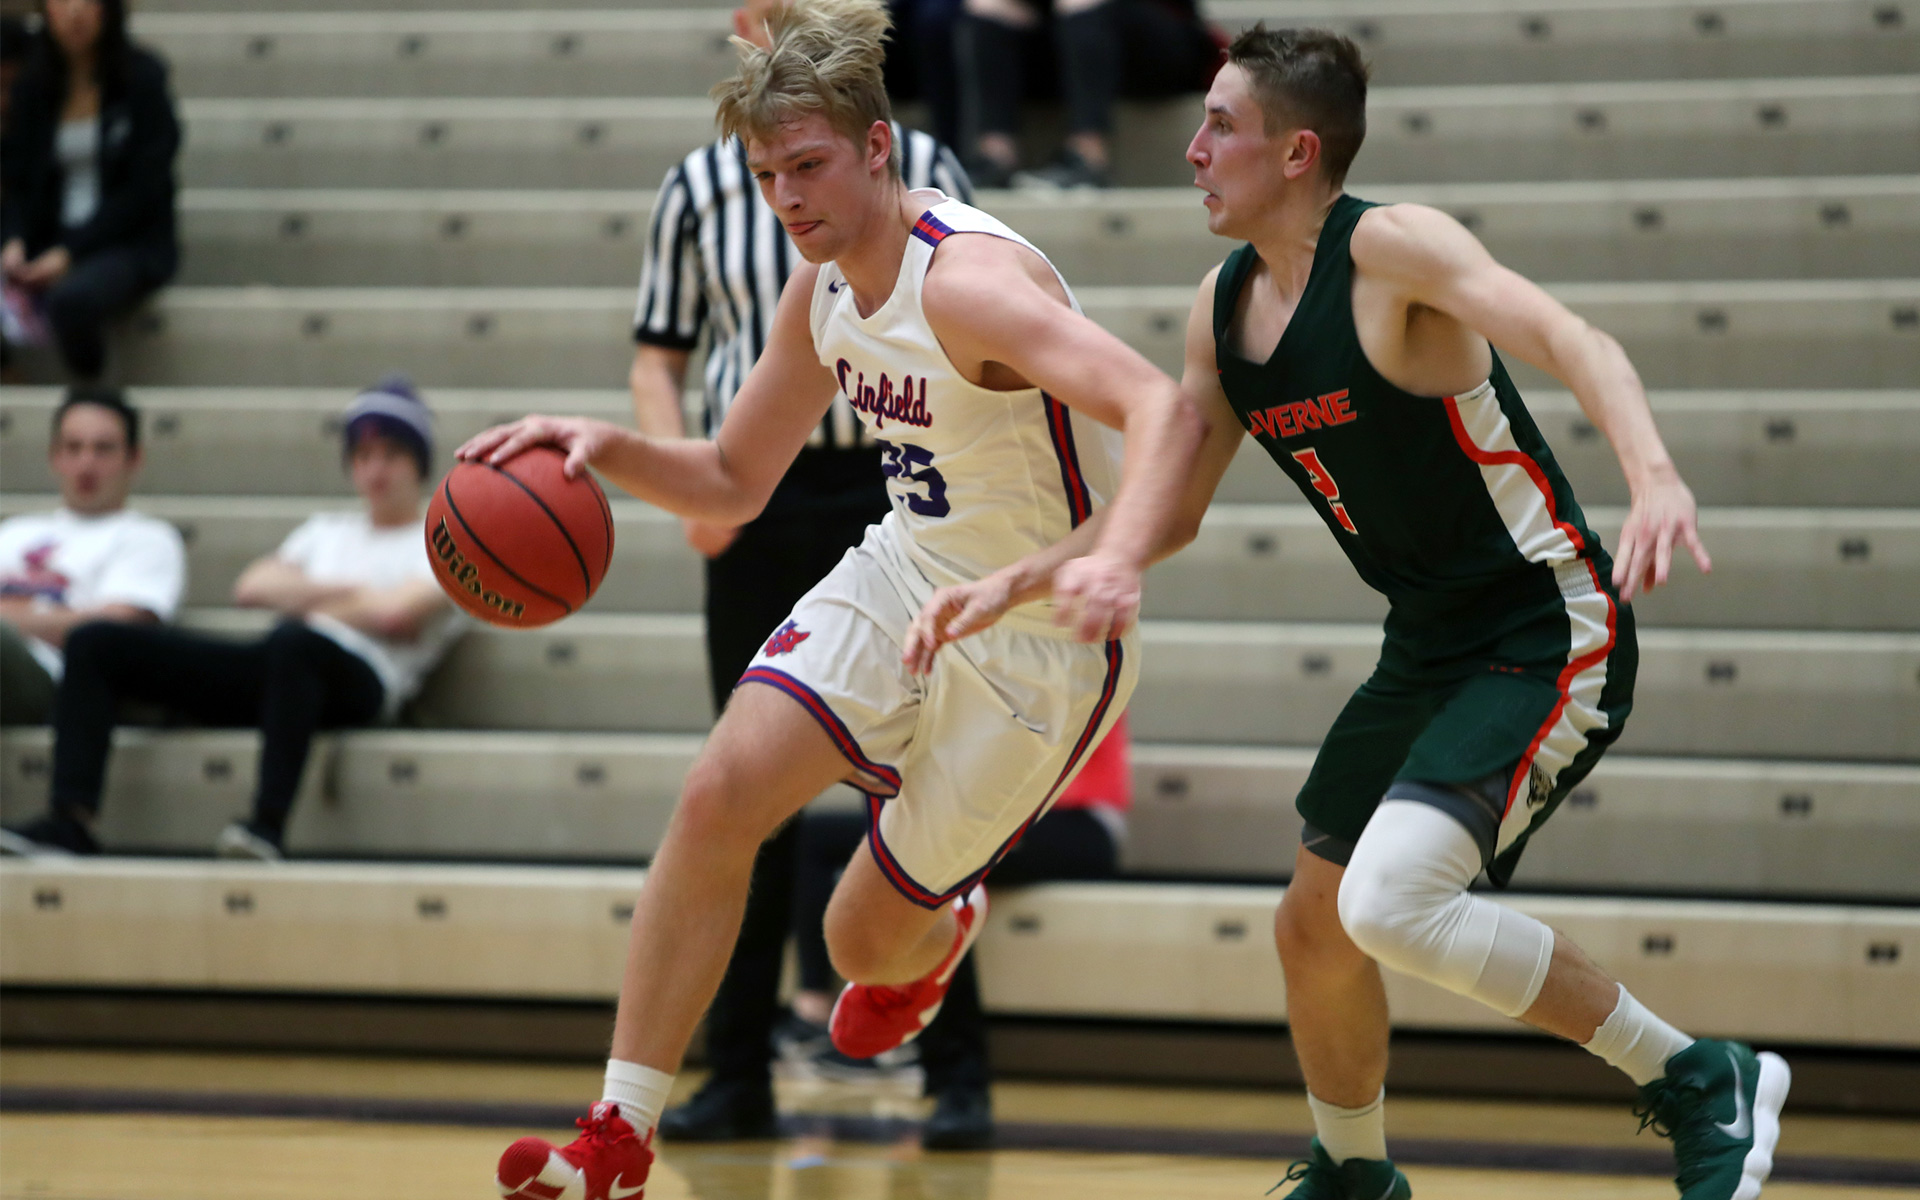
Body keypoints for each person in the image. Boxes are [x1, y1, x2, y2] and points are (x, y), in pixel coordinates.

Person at [939, 26, 1779, 1200]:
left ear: (1296, 152)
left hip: (1545, 624)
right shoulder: (1223, 308)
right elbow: (1165, 512)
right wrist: (1023, 576)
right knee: (1313, 926)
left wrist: (1654, 475)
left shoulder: (1390, 251)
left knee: (1390, 901)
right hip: (1428, 643)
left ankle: (1698, 1075)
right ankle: (1353, 1173)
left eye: (1219, 125)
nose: (1191, 150)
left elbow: (1576, 339)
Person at [475, 1, 1202, 1195]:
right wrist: (600, 442)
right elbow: (731, 476)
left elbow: (1164, 407)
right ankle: (617, 1135)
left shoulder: (967, 285)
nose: (789, 199)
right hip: (905, 566)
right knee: (717, 794)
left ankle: (939, 921)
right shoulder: (820, 294)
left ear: (879, 149)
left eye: (809, 166)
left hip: (1034, 637)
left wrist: (1112, 556)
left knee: (855, 943)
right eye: (767, 175)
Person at [631, 0, 971, 1148]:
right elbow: (659, 353)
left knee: (923, 804)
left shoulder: (916, 164)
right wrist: (686, 492)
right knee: (740, 790)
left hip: (891, 482)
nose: (789, 188)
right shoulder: (697, 184)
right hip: (756, 491)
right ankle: (736, 1074)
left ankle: (954, 1073)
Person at [0, 379, 463, 860]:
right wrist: (359, 593)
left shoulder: (443, 540)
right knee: (96, 642)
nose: (375, 469)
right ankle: (69, 823)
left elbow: (393, 614)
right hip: (282, 671)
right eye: (363, 455)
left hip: (363, 680)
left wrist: (308, 600)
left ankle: (266, 827)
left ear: (419, 462)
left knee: (294, 642)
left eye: (390, 454)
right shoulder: (327, 530)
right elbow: (252, 588)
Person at [786, 715, 1133, 1147]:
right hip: (987, 805)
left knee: (936, 860)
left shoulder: (1055, 662)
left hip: (1074, 820)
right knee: (822, 837)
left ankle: (936, 1053)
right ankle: (812, 1013)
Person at [0, 0, 181, 380]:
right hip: (48, 238)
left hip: (126, 242)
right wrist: (13, 240)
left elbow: (143, 189)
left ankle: (92, 396)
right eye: (63, 0)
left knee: (72, 300)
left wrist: (69, 253)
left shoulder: (143, 78)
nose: (76, 11)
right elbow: (17, 180)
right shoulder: (34, 85)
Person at [0, 385, 183, 729]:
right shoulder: (12, 533)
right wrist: (53, 617)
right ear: (55, 456)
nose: (86, 463)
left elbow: (108, 636)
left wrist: (11, 617)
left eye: (103, 449)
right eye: (73, 447)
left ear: (134, 459)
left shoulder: (149, 538)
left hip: (56, 684)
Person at [955, 0, 1219, 188]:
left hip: (1155, 42)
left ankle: (1089, 156)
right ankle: (996, 156)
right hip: (1064, 41)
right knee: (989, 5)